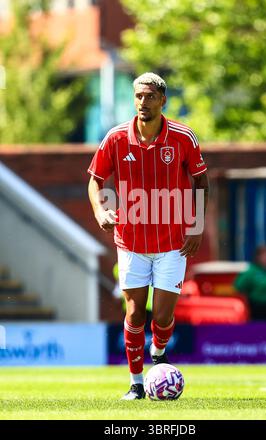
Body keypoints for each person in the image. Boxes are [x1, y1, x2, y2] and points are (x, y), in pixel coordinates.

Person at [88, 72, 209, 400]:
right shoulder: (115, 138)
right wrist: (101, 212)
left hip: (172, 243)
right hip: (131, 243)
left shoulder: (183, 138)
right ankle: (136, 383)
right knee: (134, 313)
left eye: (150, 96)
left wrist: (196, 225)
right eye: (139, 96)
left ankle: (158, 350)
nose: (143, 102)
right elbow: (96, 180)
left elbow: (201, 182)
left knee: (164, 316)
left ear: (162, 100)